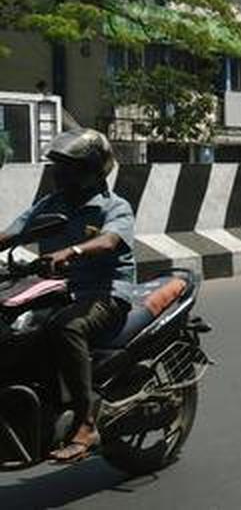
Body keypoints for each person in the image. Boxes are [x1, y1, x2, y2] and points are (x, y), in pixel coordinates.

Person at [0, 129, 135, 462]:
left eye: (68, 167)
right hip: (59, 291)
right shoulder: (50, 204)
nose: (59, 174)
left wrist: (72, 250)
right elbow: (10, 234)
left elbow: (109, 242)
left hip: (105, 293)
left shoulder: (114, 207)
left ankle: (86, 422)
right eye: (58, 166)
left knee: (66, 328)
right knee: (15, 327)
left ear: (93, 170)